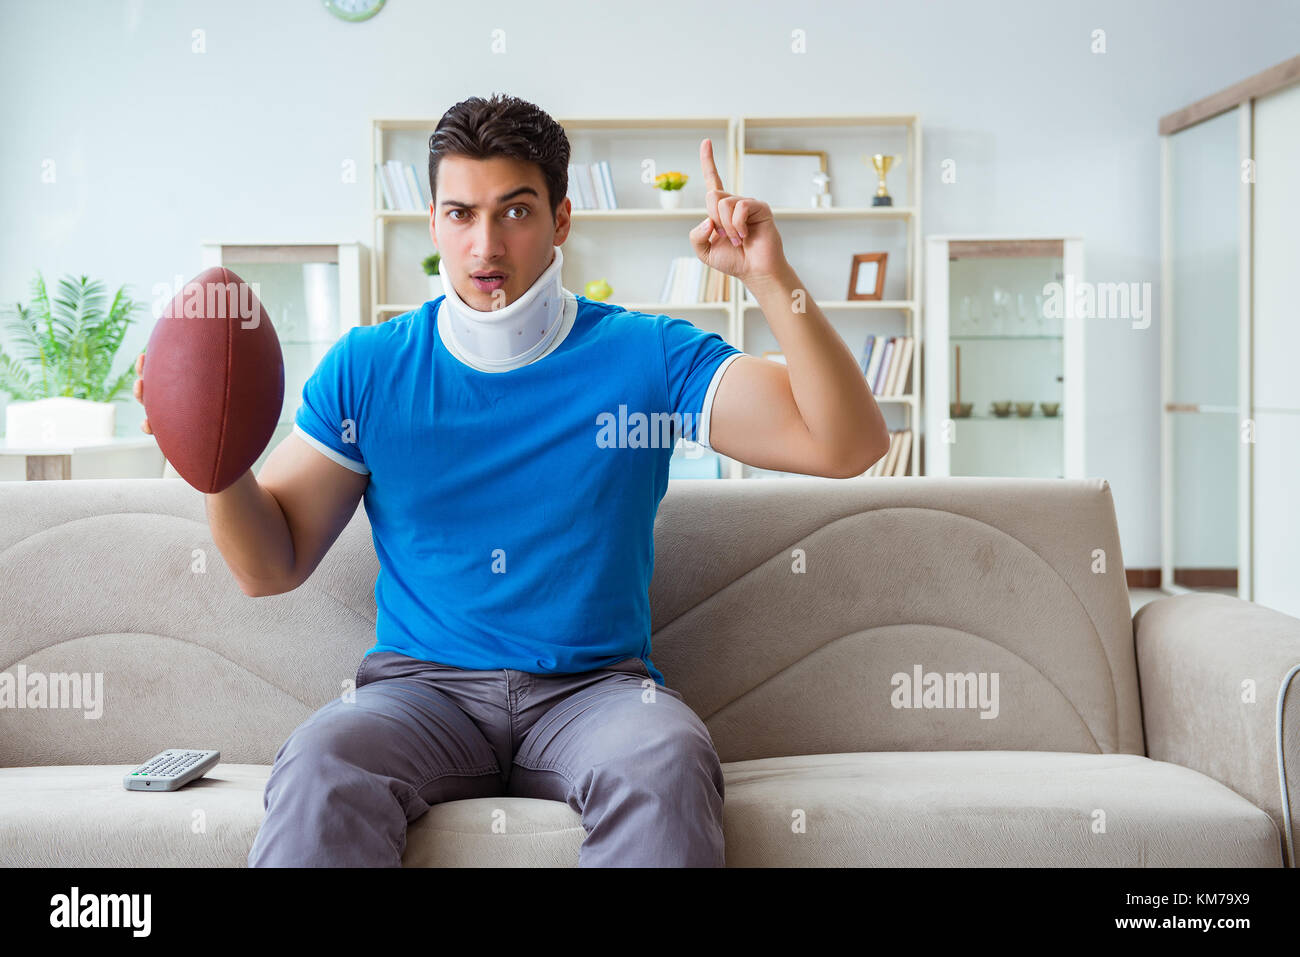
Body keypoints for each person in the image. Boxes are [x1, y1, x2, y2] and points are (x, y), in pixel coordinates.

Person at [133, 92, 886, 867]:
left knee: (667, 759)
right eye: (460, 214)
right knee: (322, 760)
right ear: (432, 223)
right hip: (420, 694)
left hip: (596, 693)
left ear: (561, 220)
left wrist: (771, 275)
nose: (485, 244)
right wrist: (211, 460)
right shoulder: (369, 368)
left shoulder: (648, 357)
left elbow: (847, 443)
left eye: (515, 211)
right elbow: (269, 565)